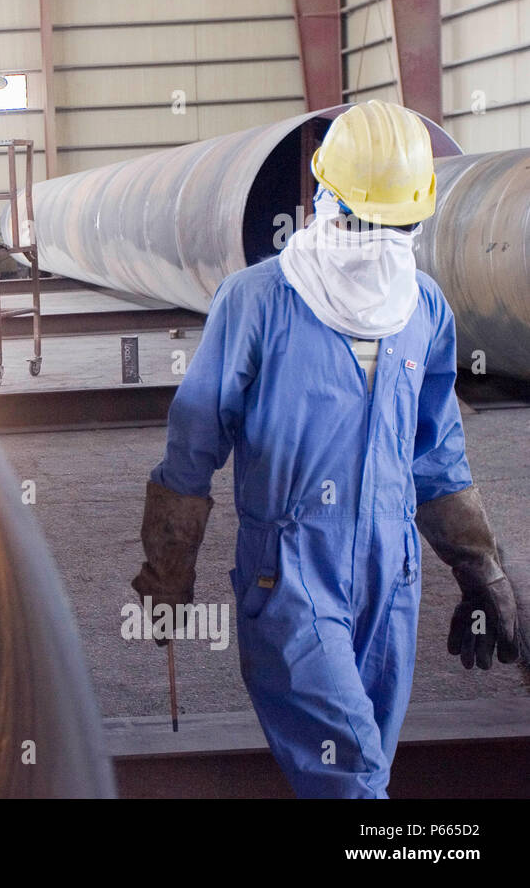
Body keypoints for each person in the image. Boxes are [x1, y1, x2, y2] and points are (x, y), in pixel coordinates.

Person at [133, 99, 521, 797]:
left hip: (392, 575)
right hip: (289, 578)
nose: (377, 239)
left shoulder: (423, 309)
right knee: (354, 778)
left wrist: (478, 565)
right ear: (325, 200)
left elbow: (434, 453)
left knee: (363, 761)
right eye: (368, 219)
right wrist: (169, 566)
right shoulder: (256, 301)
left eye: (392, 223)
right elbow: (194, 439)